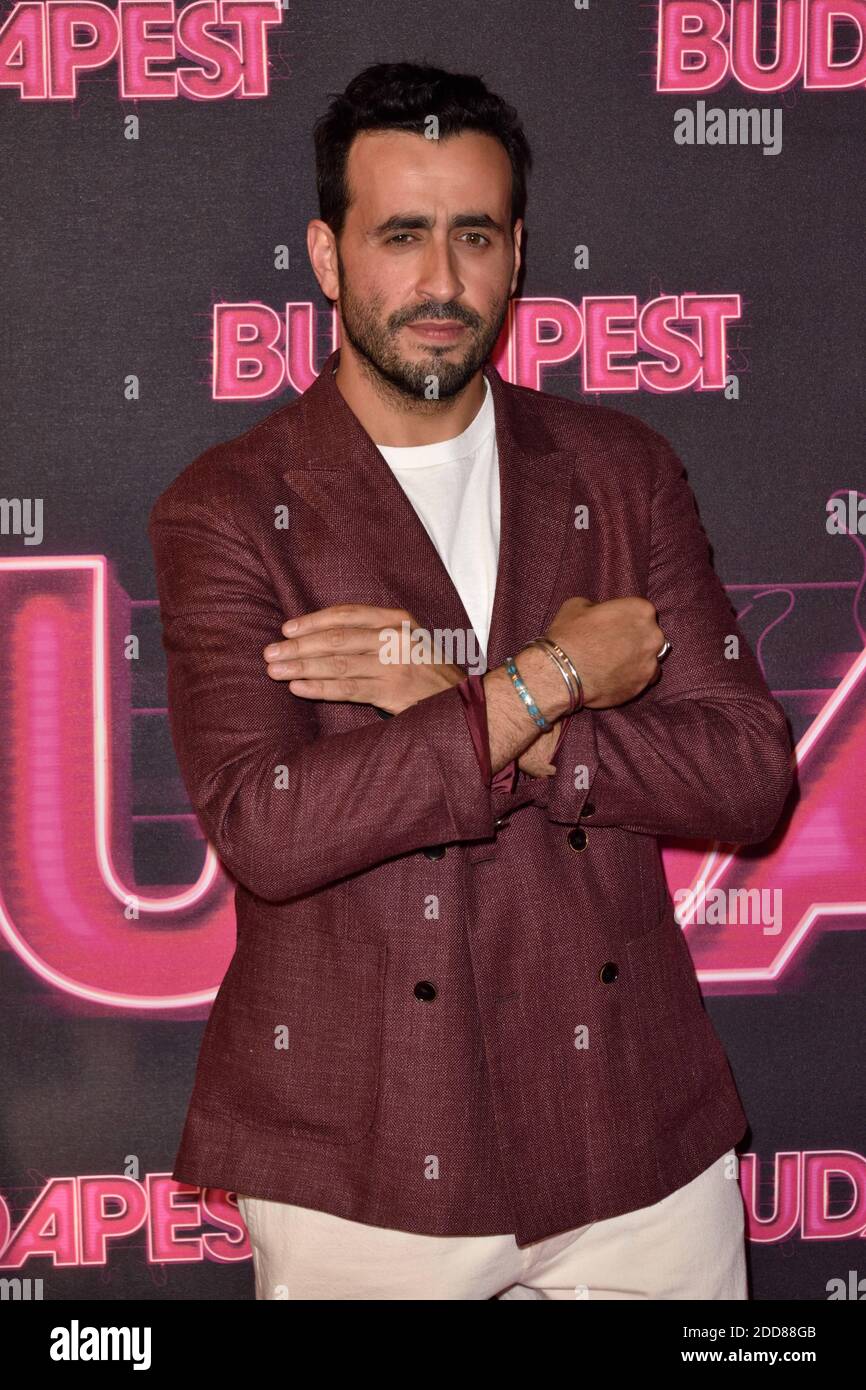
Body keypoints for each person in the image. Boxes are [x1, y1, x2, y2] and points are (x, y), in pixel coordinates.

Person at [148, 61, 794, 1300]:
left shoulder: (621, 467)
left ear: (517, 254)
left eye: (473, 237)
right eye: (400, 236)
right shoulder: (227, 505)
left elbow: (744, 773)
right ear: (328, 259)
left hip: (636, 1137)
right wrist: (542, 683)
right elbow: (269, 826)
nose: (440, 283)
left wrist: (465, 703)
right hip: (363, 1158)